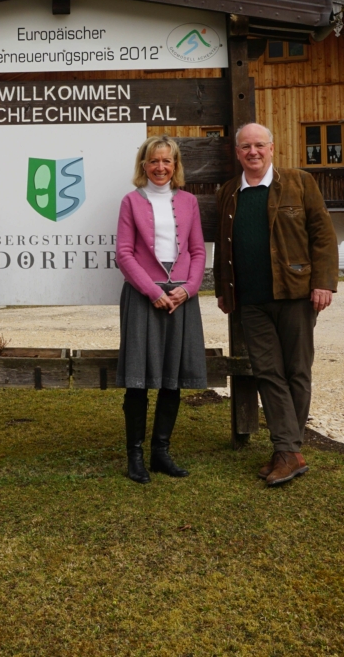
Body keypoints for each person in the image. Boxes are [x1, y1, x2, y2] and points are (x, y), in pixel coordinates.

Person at [215, 122, 338, 486]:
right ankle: (289, 451)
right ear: (238, 152)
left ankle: (286, 449)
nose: (253, 152)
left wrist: (323, 282)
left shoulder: (300, 182)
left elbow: (323, 235)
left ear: (271, 148)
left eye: (259, 145)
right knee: (267, 372)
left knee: (297, 370)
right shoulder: (229, 192)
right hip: (251, 300)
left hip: (296, 294)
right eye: (246, 147)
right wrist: (223, 289)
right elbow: (223, 245)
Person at [115, 136, 207, 484]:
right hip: (144, 296)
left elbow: (198, 251)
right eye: (154, 160)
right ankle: (135, 455)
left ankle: (161, 452)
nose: (160, 167)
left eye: (167, 161)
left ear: (175, 165)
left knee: (174, 376)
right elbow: (124, 254)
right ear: (144, 164)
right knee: (138, 378)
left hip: (181, 297)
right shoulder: (131, 201)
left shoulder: (188, 201)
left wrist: (189, 288)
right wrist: (153, 291)